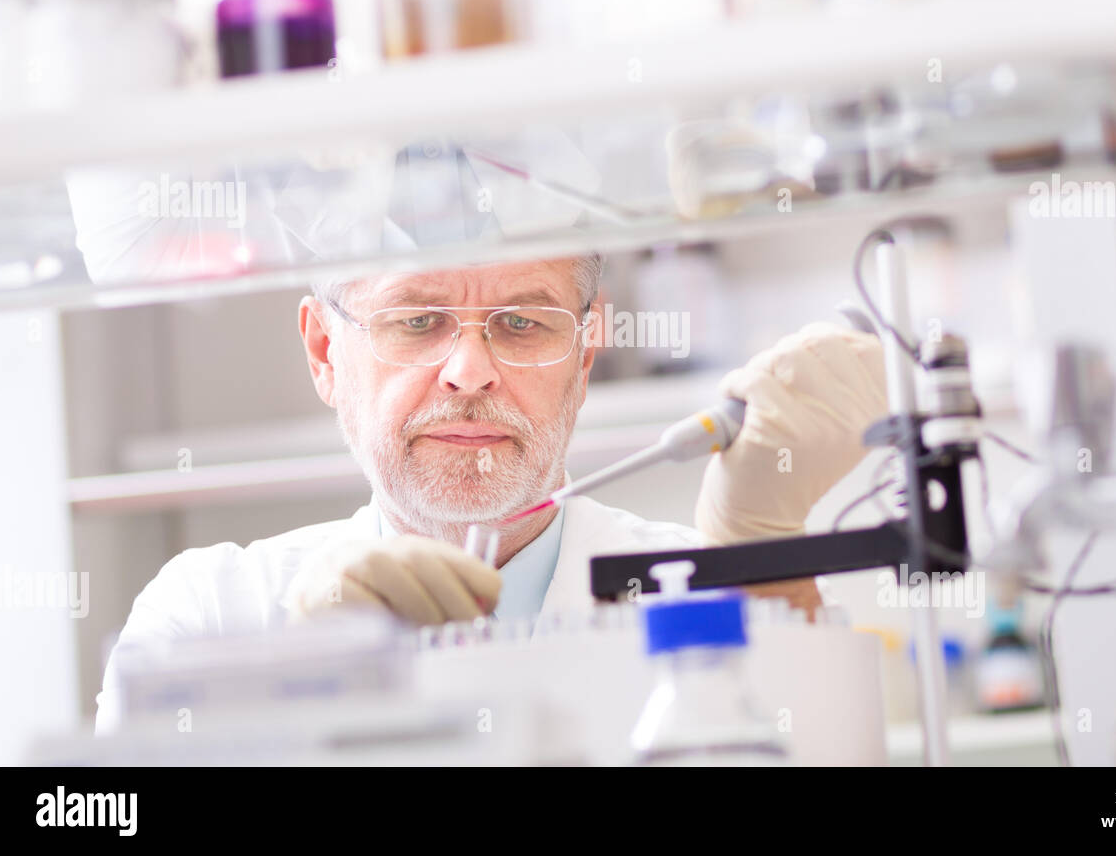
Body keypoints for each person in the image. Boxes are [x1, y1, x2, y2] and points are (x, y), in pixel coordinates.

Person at [94, 253, 886, 731]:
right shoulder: (209, 615)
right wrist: (302, 685)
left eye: (521, 323)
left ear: (584, 355)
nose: (469, 371)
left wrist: (764, 556)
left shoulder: (714, 584)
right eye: (417, 320)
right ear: (323, 349)